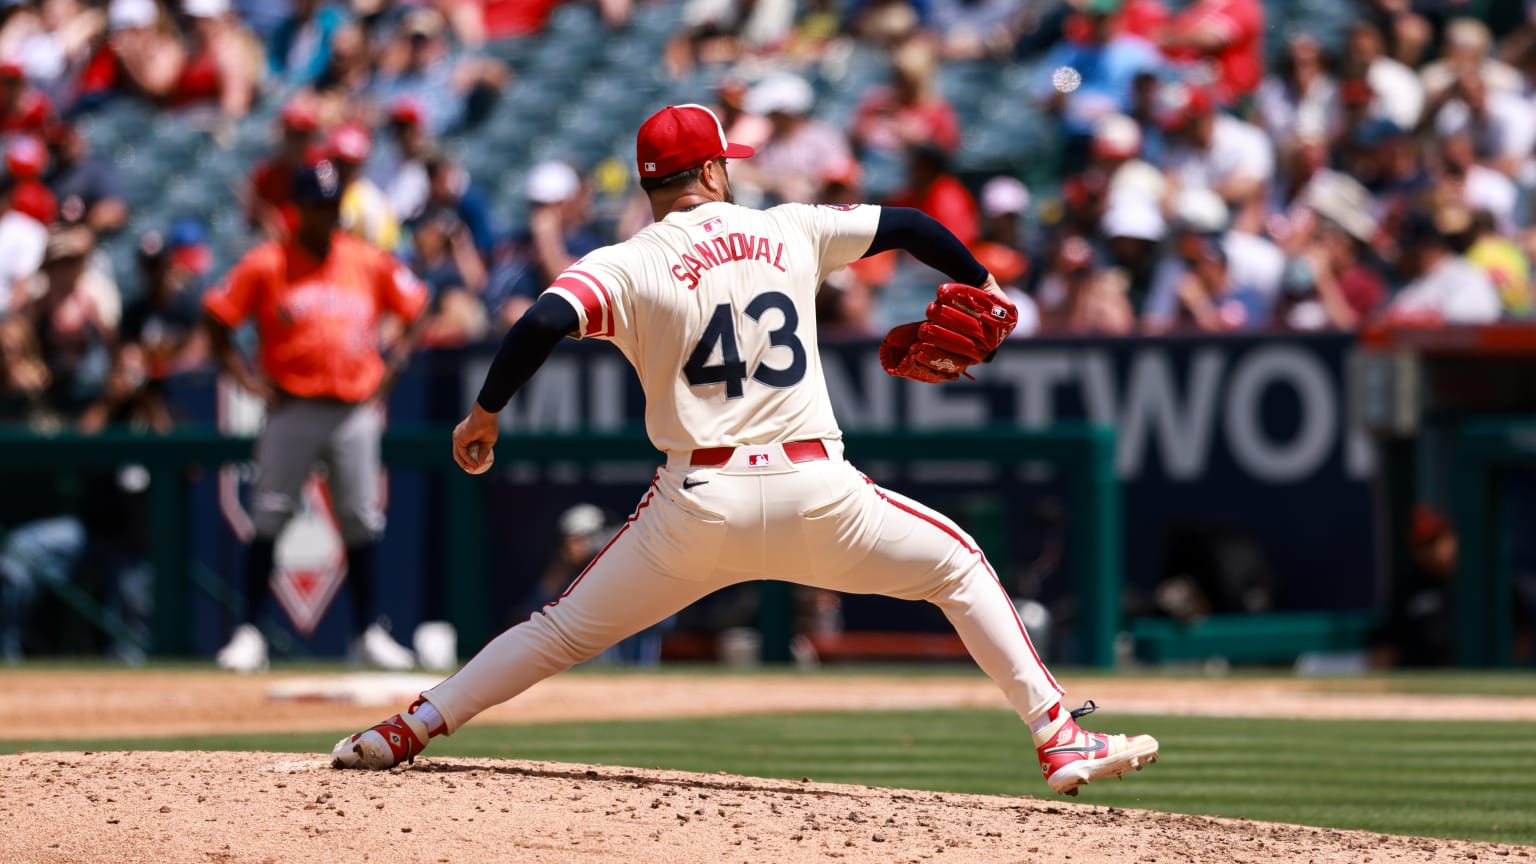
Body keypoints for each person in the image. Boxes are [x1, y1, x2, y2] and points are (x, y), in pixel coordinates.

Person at [332, 104, 1159, 797]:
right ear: (716, 173)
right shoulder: (788, 228)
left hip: (698, 503)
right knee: (958, 566)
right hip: (816, 491)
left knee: (557, 631)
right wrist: (983, 282)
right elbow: (910, 224)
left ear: (653, 184)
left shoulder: (628, 260)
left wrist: (484, 413)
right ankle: (1058, 738)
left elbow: (542, 320)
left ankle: (413, 726)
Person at [202, 161, 430, 673]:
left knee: (360, 520)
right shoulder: (267, 263)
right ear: (297, 209)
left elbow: (415, 306)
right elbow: (217, 316)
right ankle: (250, 633)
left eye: (332, 206)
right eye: (317, 206)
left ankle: (368, 632)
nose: (326, 215)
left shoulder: (366, 260)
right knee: (270, 514)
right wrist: (244, 379)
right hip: (292, 406)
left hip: (353, 408)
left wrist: (394, 364)